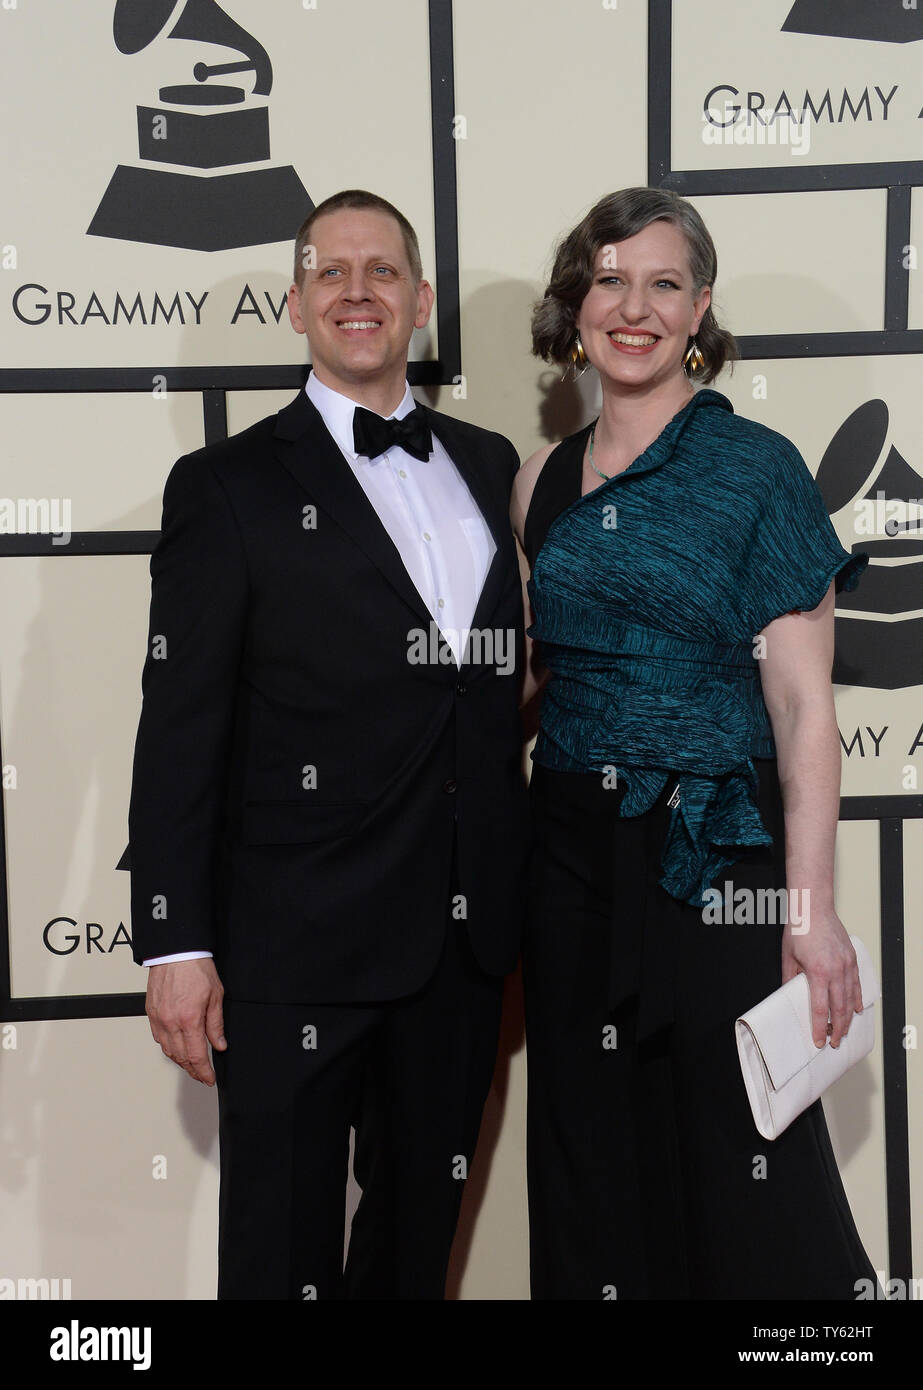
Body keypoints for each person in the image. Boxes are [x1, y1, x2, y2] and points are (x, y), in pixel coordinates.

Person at [128, 189, 530, 1300]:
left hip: (460, 943)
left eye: (382, 270)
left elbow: (491, 685)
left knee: (415, 1248)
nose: (359, 291)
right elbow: (178, 723)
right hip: (288, 942)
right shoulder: (226, 484)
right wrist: (174, 942)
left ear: (421, 301)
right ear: (298, 302)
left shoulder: (488, 463)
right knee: (280, 1252)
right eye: (331, 271)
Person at [511, 186, 880, 1299]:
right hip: (569, 855)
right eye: (609, 280)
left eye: (662, 284)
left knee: (746, 1157)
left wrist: (808, 913)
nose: (634, 308)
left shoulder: (757, 470)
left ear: (699, 309)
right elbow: (530, 678)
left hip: (715, 847)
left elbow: (802, 709)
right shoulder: (538, 482)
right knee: (588, 1151)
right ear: (575, 303)